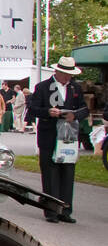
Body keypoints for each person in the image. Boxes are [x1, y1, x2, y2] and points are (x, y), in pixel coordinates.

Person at [29, 57, 89, 223]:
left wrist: (75, 115)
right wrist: (48, 111)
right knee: (50, 173)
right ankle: (51, 210)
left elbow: (85, 109)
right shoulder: (42, 87)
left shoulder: (75, 88)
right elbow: (33, 109)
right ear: (58, 72)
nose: (68, 78)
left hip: (67, 138)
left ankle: (65, 210)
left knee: (68, 173)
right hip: (49, 135)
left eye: (70, 75)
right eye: (65, 75)